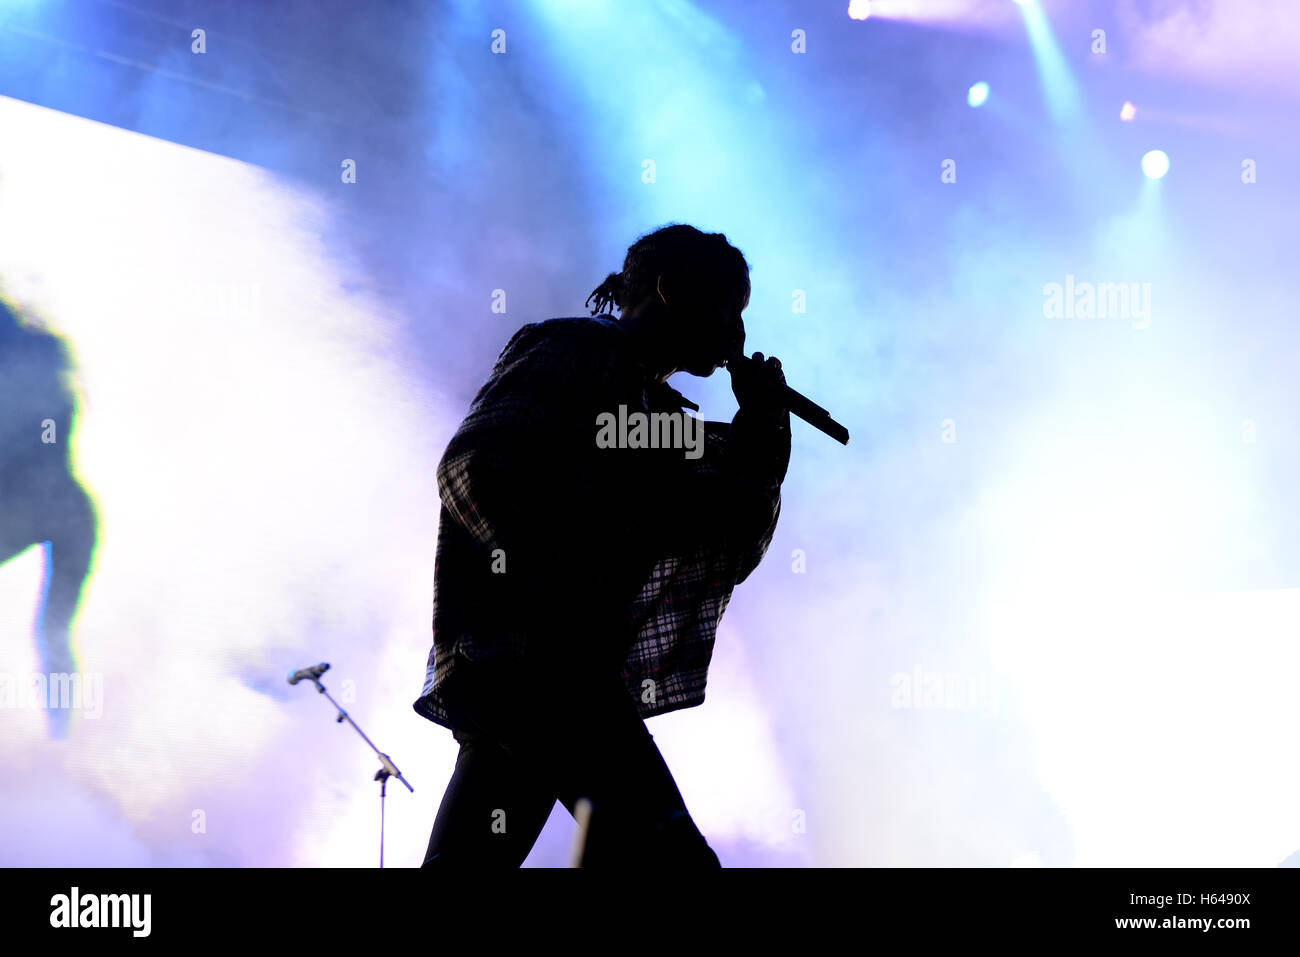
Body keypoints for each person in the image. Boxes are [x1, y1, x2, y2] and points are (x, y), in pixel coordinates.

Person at [413, 224, 791, 867]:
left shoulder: (666, 419)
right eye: (727, 308)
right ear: (669, 290)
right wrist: (544, 584)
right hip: (542, 666)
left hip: (546, 676)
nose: (736, 334)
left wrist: (760, 446)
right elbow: (475, 463)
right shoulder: (574, 351)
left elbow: (724, 541)